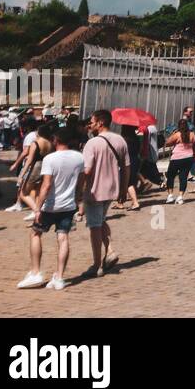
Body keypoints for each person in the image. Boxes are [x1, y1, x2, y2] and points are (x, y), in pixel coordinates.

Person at [18, 123, 85, 290]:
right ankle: (60, 277)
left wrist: (37, 208)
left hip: (50, 206)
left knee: (35, 233)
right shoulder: (79, 158)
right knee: (63, 238)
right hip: (68, 205)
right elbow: (81, 182)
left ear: (56, 140)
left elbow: (46, 186)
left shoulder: (50, 159)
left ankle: (35, 272)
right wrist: (78, 199)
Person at [81, 110, 129, 277]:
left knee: (94, 226)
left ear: (100, 123)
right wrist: (123, 189)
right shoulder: (120, 140)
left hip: (94, 190)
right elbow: (126, 167)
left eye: (92, 122)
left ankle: (96, 264)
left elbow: (86, 170)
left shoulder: (92, 143)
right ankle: (110, 251)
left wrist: (77, 188)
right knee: (100, 221)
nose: (90, 125)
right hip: (112, 189)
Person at [164, 118, 195, 204]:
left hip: (176, 158)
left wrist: (172, 135)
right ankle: (180, 197)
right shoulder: (192, 134)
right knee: (183, 177)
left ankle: (170, 195)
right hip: (188, 157)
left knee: (170, 176)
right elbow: (194, 145)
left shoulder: (177, 134)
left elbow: (167, 143)